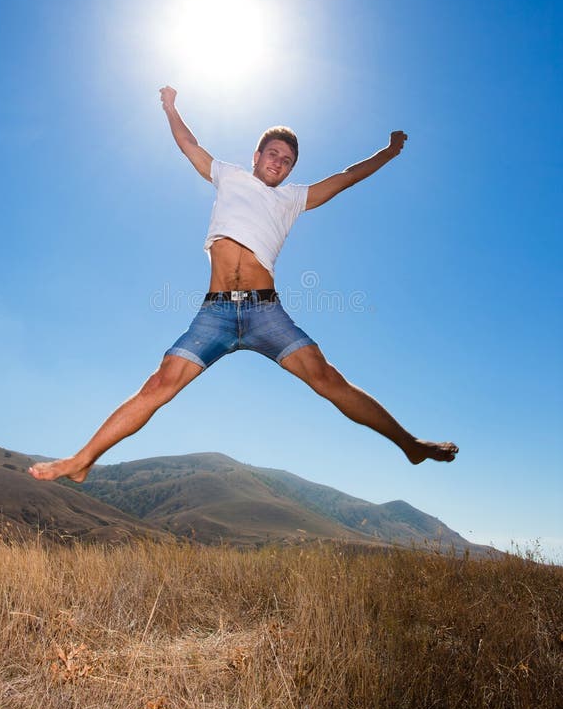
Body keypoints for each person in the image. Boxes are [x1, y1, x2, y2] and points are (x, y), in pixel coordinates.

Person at [29, 86, 458, 482]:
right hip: (214, 312)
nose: (279, 162)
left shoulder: (292, 200)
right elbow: (188, 145)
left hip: (264, 311)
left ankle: (410, 444)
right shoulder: (228, 175)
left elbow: (346, 176)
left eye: (287, 160)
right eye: (273, 153)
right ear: (256, 155)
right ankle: (81, 460)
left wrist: (387, 151)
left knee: (327, 378)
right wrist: (172, 108)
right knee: (159, 384)